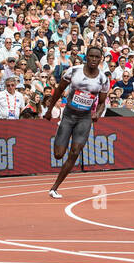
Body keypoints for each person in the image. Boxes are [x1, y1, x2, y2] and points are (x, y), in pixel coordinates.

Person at [41, 45, 110, 198]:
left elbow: (102, 102)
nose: (93, 59)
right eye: (91, 56)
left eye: (97, 57)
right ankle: (61, 135)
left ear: (100, 59)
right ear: (87, 56)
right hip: (69, 116)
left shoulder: (103, 79)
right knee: (59, 154)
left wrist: (97, 113)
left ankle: (54, 187)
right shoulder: (74, 71)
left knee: (75, 152)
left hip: (84, 118)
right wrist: (49, 110)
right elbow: (59, 90)